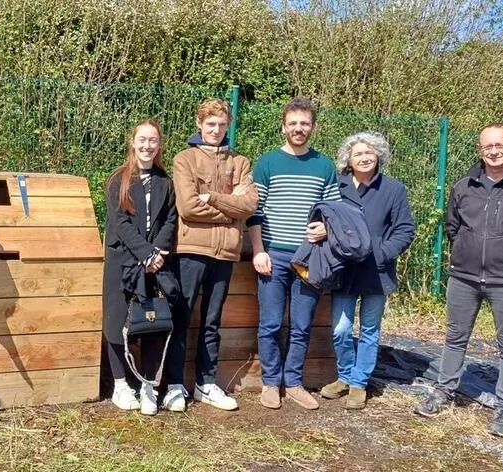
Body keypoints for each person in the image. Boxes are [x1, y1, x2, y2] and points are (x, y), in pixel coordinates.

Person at [415, 123, 503, 438]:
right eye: (488, 146)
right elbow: (453, 227)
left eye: (500, 145)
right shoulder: (463, 186)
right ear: (479, 150)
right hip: (464, 279)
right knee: (455, 337)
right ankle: (443, 392)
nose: (494, 151)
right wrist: (466, 256)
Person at [247, 97, 340, 411]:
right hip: (273, 256)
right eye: (293, 123)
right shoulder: (267, 163)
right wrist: (258, 251)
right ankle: (271, 383)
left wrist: (326, 229)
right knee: (271, 324)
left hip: (310, 258)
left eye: (304, 123)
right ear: (283, 127)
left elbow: (333, 211)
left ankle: (295, 383)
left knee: (301, 325)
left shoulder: (324, 165)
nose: (298, 128)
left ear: (313, 127)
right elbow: (255, 212)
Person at [166, 98, 257, 412]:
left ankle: (206, 384)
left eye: (221, 124)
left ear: (228, 125)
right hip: (191, 250)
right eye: (210, 124)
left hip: (226, 253)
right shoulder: (185, 159)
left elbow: (250, 205)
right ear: (199, 124)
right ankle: (173, 384)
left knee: (212, 321)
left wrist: (213, 198)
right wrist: (231, 211)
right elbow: (188, 207)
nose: (216, 130)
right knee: (181, 317)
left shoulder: (240, 162)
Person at [319, 132, 414, 409]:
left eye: (369, 153)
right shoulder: (336, 187)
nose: (364, 158)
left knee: (370, 329)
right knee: (341, 329)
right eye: (358, 153)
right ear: (348, 159)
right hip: (343, 270)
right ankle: (345, 376)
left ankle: (359, 383)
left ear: (378, 156)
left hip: (377, 272)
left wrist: (382, 253)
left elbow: (404, 229)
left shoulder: (393, 189)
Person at [102, 120, 178, 416]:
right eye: (142, 140)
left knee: (152, 324)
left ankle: (148, 385)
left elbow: (170, 219)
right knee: (115, 323)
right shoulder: (117, 180)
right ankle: (120, 386)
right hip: (123, 262)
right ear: (133, 142)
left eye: (153, 141)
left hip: (154, 265)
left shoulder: (165, 181)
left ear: (159, 145)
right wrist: (145, 254)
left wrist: (156, 253)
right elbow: (120, 223)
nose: (147, 146)